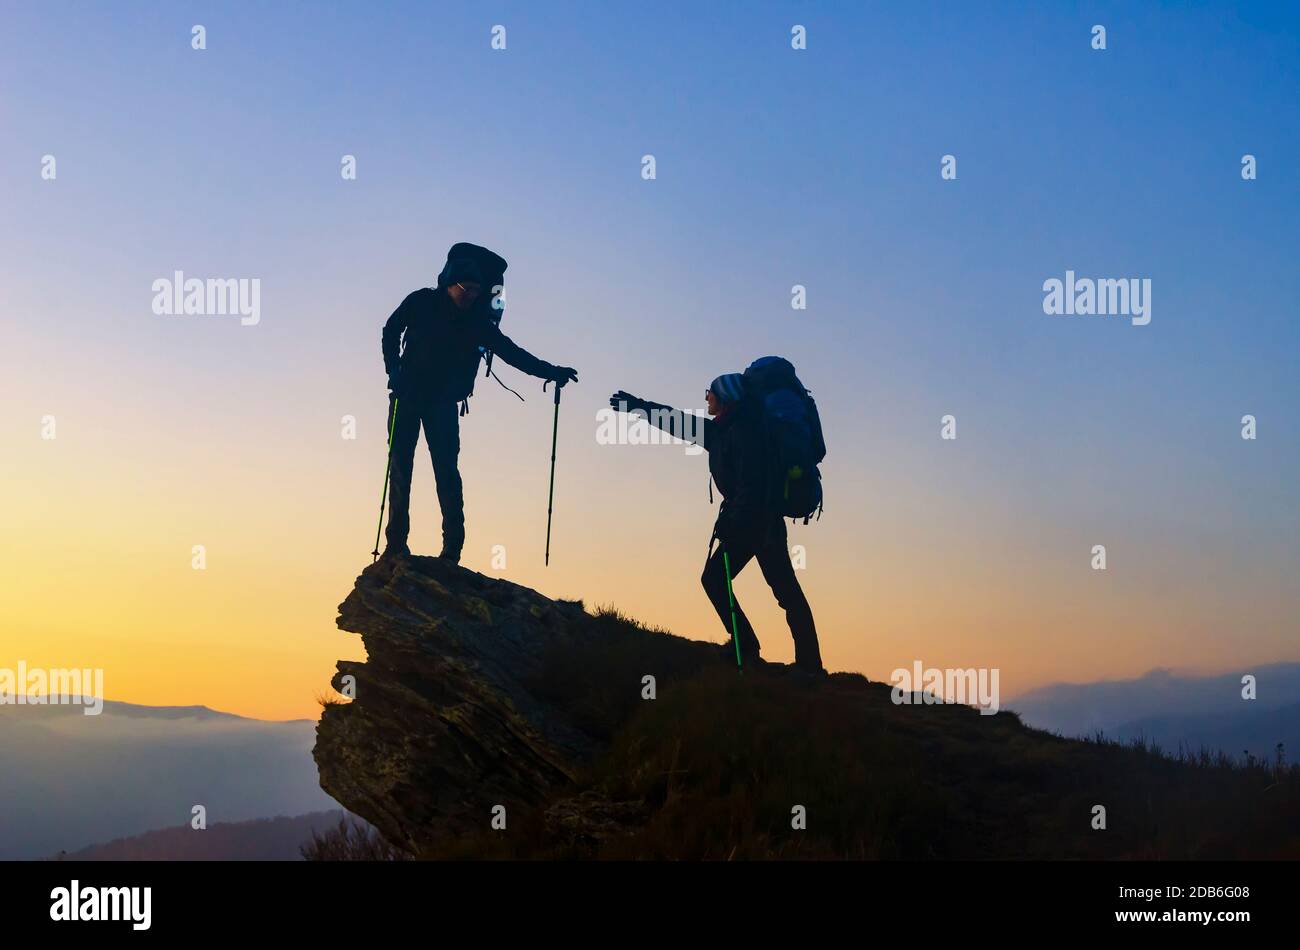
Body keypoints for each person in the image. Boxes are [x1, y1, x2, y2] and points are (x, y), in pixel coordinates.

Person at [609, 374, 826, 675]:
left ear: (725, 398)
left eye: (710, 393)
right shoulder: (721, 431)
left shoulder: (744, 433)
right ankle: (803, 663)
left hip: (754, 523)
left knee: (721, 580)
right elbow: (678, 422)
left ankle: (752, 649)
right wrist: (637, 407)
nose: (707, 398)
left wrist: (734, 523)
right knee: (783, 590)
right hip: (760, 522)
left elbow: (752, 485)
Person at [381, 243, 577, 562]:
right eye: (465, 288)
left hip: (441, 401)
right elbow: (390, 329)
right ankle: (396, 543)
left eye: (475, 290)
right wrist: (393, 370)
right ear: (448, 283)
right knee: (401, 466)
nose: (471, 295)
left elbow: (511, 353)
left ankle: (452, 549)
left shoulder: (476, 323)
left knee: (446, 471)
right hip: (407, 393)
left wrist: (552, 371)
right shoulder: (421, 301)